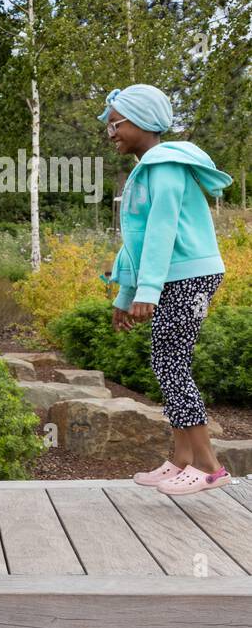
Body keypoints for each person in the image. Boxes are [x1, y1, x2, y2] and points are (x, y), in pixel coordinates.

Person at [102, 84, 231, 495]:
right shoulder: (147, 170)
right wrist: (126, 295)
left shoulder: (167, 167)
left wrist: (148, 292)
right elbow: (135, 244)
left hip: (190, 275)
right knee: (165, 362)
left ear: (141, 122)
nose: (110, 133)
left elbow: (161, 232)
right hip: (172, 277)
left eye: (115, 124)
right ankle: (181, 460)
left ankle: (210, 467)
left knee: (172, 362)